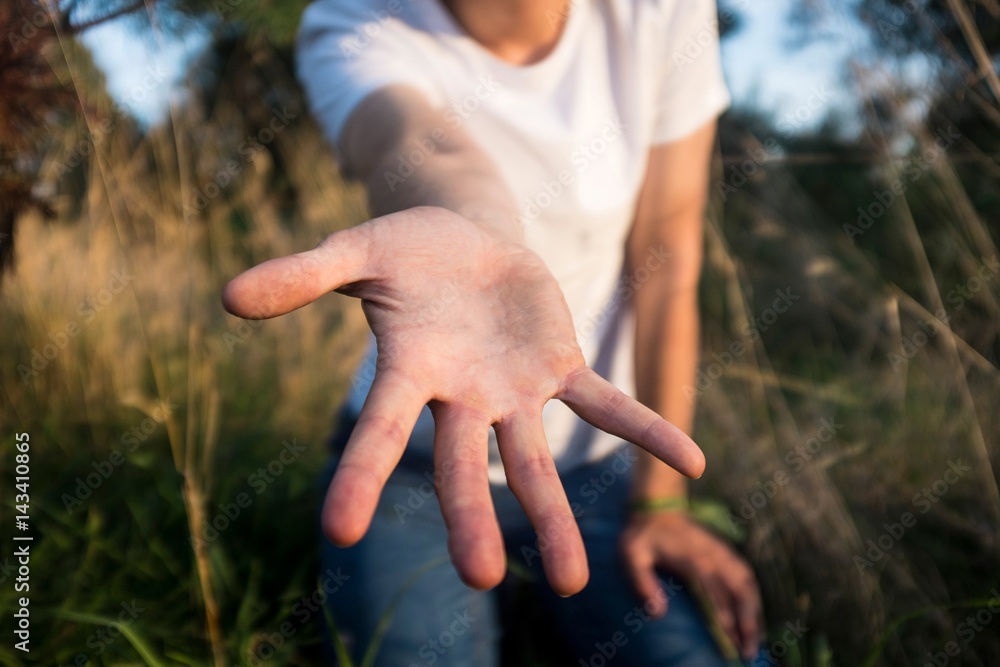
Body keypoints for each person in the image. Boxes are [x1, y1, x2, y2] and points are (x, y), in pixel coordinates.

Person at [222, 0, 765, 664]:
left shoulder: (662, 12)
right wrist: (478, 228)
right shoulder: (355, 18)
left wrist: (661, 501)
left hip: (601, 470)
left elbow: (668, 257)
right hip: (412, 468)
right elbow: (417, 140)